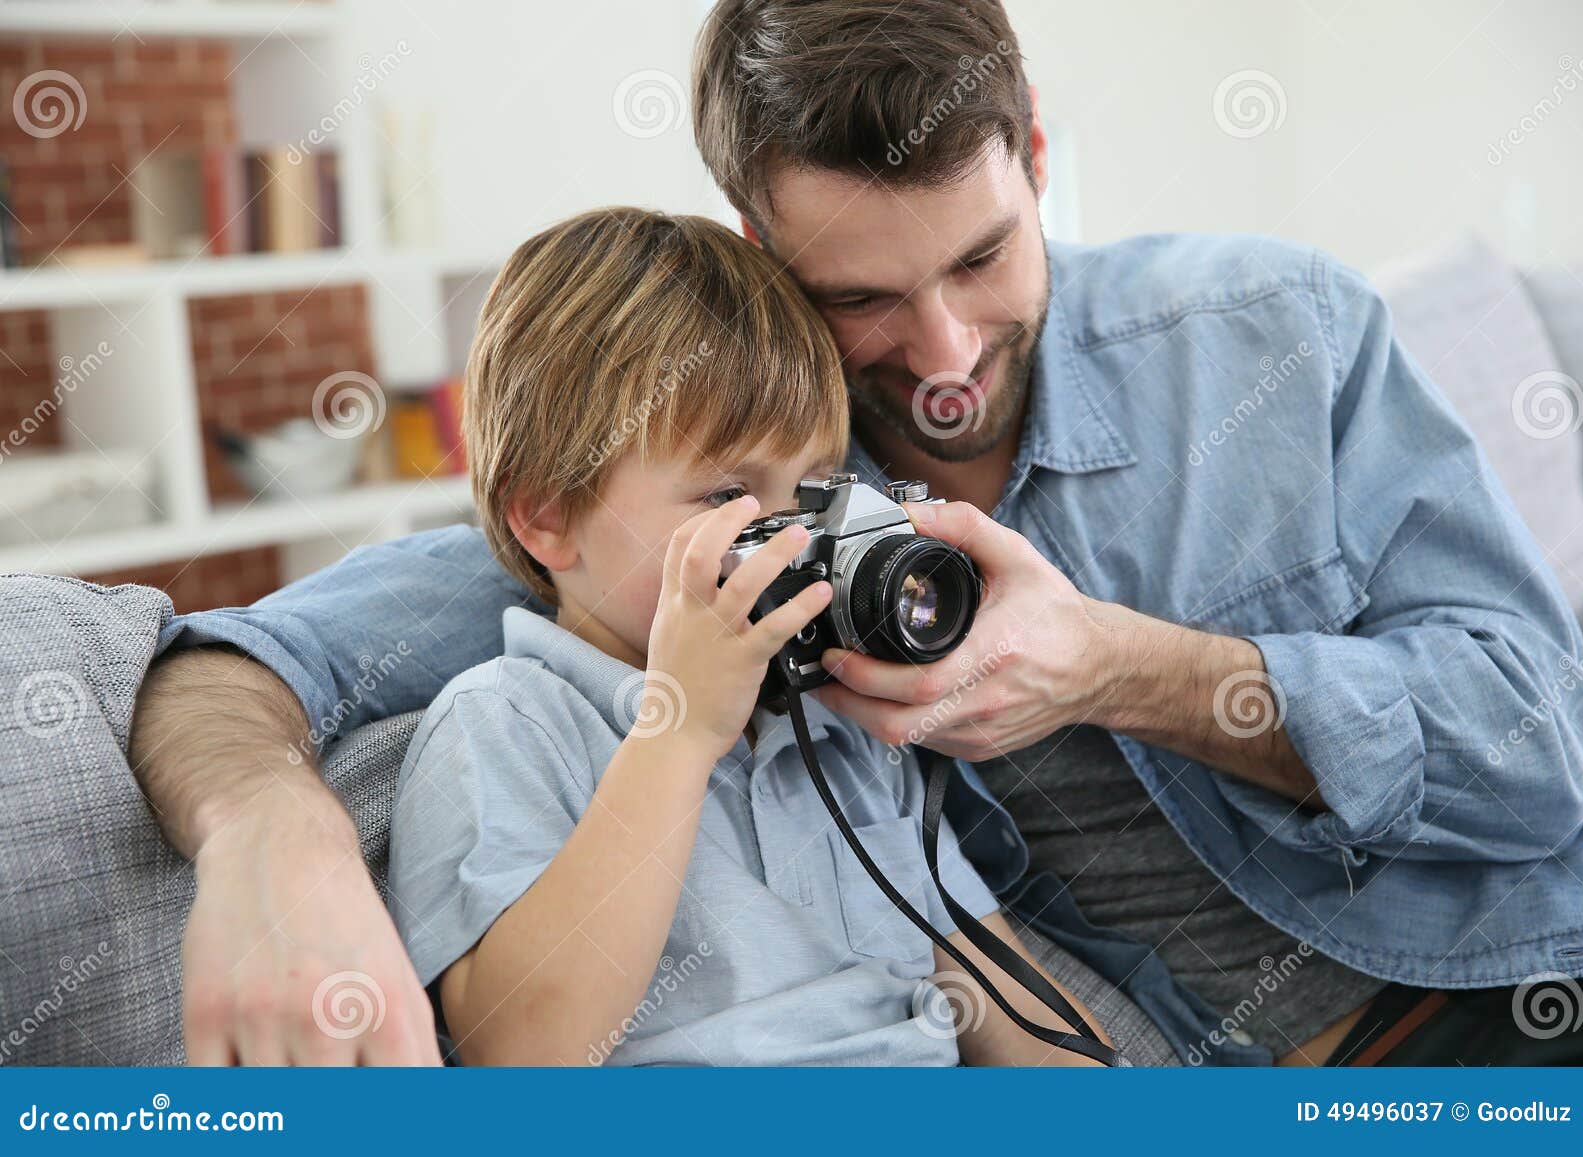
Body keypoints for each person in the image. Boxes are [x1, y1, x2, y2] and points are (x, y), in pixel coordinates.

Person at [130, 0, 1583, 1067]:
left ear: (1032, 156)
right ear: (768, 249)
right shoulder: (724, 496)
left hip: (1512, 982)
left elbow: (1547, 751)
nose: (947, 350)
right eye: (864, 300)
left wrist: (1118, 666)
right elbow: (245, 663)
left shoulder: (1274, 333)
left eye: (982, 256)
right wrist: (273, 833)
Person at [383, 207, 1107, 1066]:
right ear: (547, 514)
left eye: (816, 491)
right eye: (726, 494)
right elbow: (523, 1050)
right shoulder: (508, 724)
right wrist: (680, 733)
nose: (792, 539)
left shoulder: (843, 724)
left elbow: (1017, 1012)